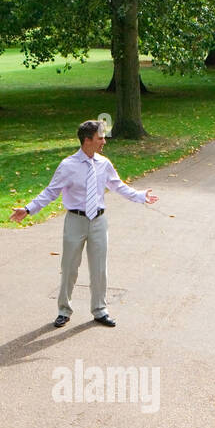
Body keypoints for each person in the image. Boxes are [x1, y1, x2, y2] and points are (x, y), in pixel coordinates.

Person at [9, 120, 159, 327]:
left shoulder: (104, 164)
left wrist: (140, 196)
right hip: (75, 220)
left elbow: (117, 185)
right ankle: (64, 310)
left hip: (98, 220)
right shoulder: (68, 165)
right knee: (69, 267)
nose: (104, 141)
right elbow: (51, 191)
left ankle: (100, 310)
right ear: (87, 140)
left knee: (99, 268)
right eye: (100, 138)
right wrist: (28, 209)